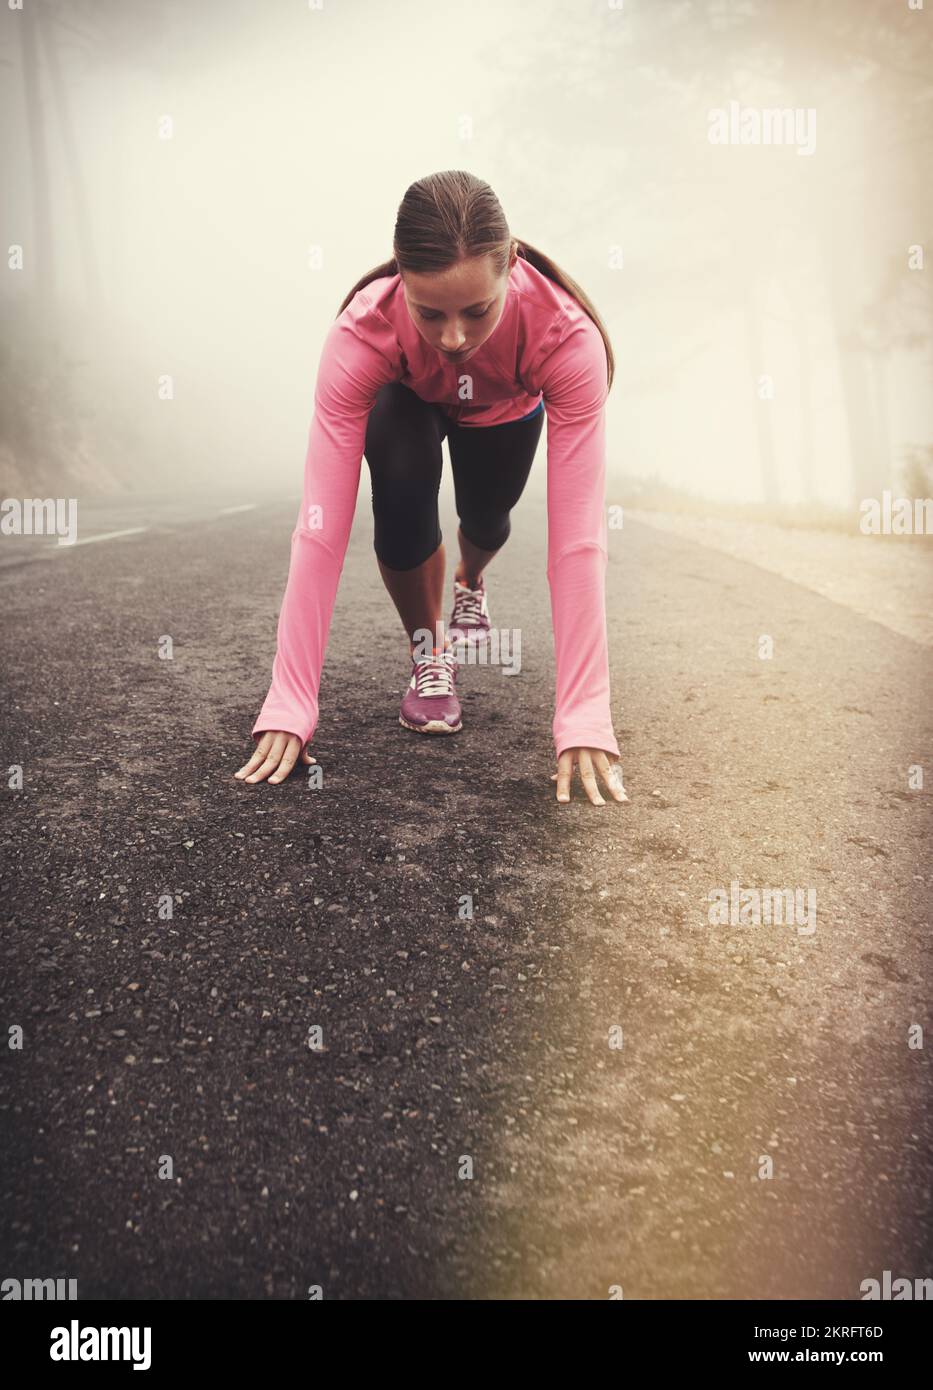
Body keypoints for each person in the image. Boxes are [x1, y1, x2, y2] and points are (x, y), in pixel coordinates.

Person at [235, 170, 627, 807]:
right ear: (401, 281)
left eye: (478, 312)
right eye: (429, 313)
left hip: (506, 415)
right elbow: (319, 530)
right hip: (412, 406)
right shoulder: (361, 334)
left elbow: (578, 538)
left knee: (487, 518)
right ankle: (430, 650)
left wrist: (584, 714)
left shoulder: (566, 334)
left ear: (511, 267)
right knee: (397, 464)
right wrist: (290, 699)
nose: (453, 338)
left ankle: (472, 582)